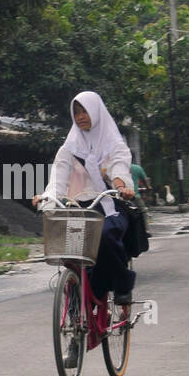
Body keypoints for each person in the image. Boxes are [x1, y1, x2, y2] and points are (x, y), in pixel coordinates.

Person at [36, 92, 136, 359]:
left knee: (106, 237)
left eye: (85, 111)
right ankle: (74, 337)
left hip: (107, 204)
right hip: (76, 206)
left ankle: (123, 286)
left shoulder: (114, 142)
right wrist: (48, 197)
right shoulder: (69, 147)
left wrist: (121, 185)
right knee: (71, 262)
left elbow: (120, 166)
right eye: (76, 111)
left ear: (96, 112)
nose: (81, 117)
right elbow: (58, 175)